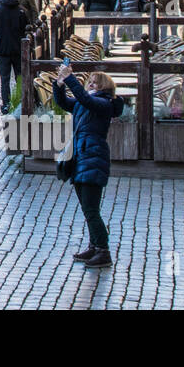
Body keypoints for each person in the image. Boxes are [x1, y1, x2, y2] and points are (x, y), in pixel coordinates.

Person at [53, 64, 125, 268]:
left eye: (94, 82)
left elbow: (85, 99)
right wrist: (59, 84)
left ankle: (103, 250)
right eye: (89, 81)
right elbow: (64, 102)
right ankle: (94, 246)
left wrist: (70, 78)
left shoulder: (104, 104)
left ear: (103, 87)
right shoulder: (86, 102)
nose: (90, 84)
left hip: (93, 158)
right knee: (87, 208)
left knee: (91, 209)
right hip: (81, 158)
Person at [0, 0, 30, 114]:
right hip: (19, 48)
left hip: (3, 48)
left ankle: (6, 104)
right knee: (20, 77)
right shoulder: (21, 10)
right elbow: (27, 27)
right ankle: (22, 102)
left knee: (4, 79)